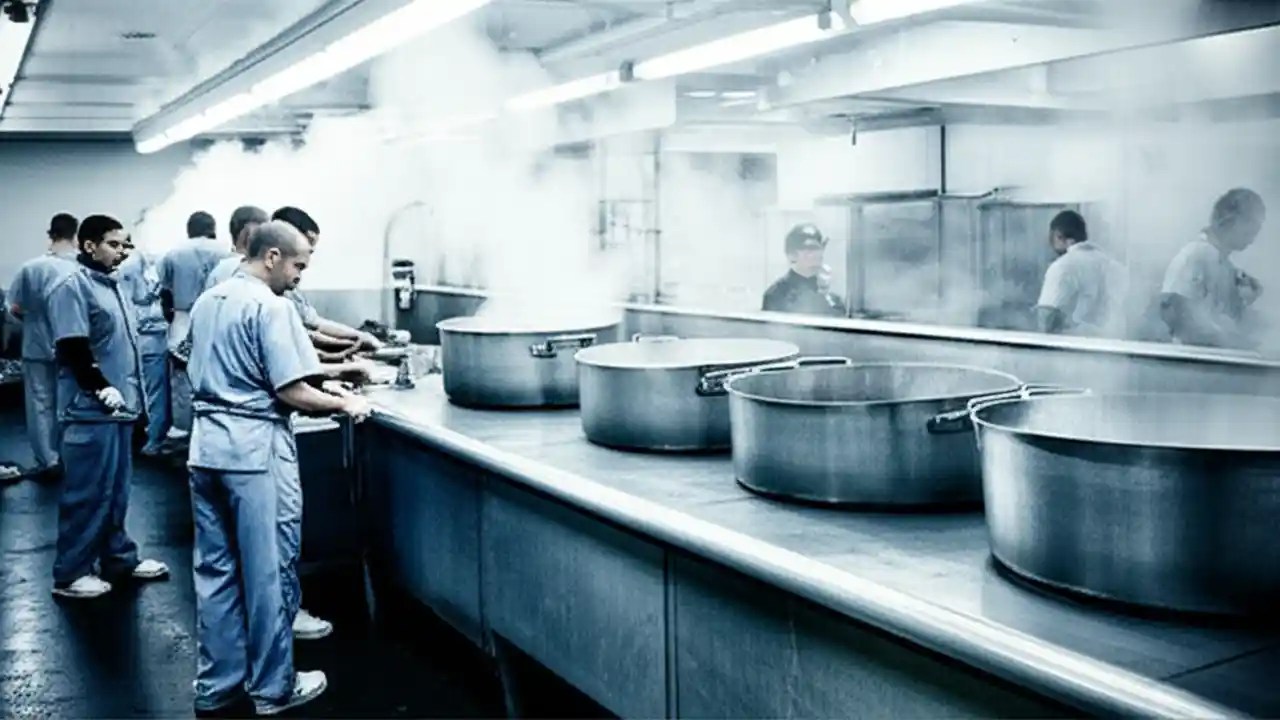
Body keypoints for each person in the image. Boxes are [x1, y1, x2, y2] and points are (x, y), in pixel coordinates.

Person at [186, 220, 370, 715]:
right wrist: (343, 405)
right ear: (271, 257)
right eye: (298, 265)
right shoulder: (272, 307)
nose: (299, 277)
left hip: (205, 450)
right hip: (254, 453)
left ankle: (217, 683)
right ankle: (273, 688)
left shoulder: (210, 301)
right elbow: (291, 391)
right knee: (268, 572)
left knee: (216, 570)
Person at [46, 215, 169, 599]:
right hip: (90, 410)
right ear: (88, 246)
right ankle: (71, 573)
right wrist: (100, 388)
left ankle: (118, 558)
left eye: (124, 245)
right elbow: (72, 347)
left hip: (118, 410)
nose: (122, 251)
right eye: (114, 244)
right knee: (87, 492)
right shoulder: (72, 286)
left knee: (115, 490)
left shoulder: (112, 285)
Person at [5, 213, 81, 480]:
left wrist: (31, 318)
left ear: (51, 235)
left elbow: (12, 309)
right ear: (75, 235)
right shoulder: (81, 269)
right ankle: (72, 456)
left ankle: (48, 460)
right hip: (73, 344)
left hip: (36, 344)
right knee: (71, 402)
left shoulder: (31, 268)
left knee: (40, 404)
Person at [1160, 188, 1266, 350]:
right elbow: (1177, 315)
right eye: (1253, 223)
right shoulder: (1195, 255)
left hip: (1217, 364)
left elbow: (1233, 322)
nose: (1255, 233)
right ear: (1232, 220)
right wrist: (1233, 341)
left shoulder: (1225, 266)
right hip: (1194, 365)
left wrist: (1247, 301)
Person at [158, 211, 229, 446]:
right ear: (212, 228)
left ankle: (182, 433)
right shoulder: (226, 252)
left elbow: (164, 291)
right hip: (216, 318)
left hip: (183, 318)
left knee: (181, 381)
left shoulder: (174, 253)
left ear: (189, 229)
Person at [271, 207, 383, 353]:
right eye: (308, 247)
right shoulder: (263, 296)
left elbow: (311, 325)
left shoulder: (289, 288)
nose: (308, 257)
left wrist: (357, 339)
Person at [1034, 210, 1128, 337]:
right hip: (1114, 350)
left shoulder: (1062, 266)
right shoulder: (1116, 267)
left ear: (1058, 236)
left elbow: (1046, 321)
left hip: (1072, 353)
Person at [116, 246, 171, 456]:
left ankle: (154, 438)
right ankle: (155, 435)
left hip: (145, 335)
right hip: (161, 332)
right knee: (159, 390)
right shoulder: (154, 263)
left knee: (151, 390)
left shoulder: (128, 268)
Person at [762, 223, 847, 317]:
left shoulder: (832, 297)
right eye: (810, 249)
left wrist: (824, 293)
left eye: (819, 248)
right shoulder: (777, 294)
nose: (817, 254)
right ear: (792, 254)